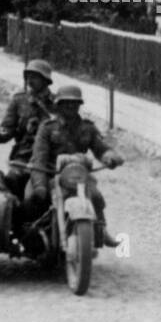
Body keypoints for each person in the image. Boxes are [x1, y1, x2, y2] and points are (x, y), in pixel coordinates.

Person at [26, 84, 125, 246]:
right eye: (66, 103)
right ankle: (33, 238)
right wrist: (39, 184)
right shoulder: (47, 129)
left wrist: (110, 157)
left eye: (75, 103)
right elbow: (39, 158)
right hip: (51, 174)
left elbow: (101, 148)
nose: (71, 106)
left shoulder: (87, 127)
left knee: (97, 197)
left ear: (80, 105)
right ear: (58, 105)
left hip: (79, 176)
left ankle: (101, 228)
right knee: (34, 198)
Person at [0, 58, 56, 202]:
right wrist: (5, 133)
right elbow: (6, 127)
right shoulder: (19, 100)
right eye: (28, 76)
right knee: (12, 180)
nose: (30, 80)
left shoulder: (57, 103)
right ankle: (19, 220)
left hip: (51, 157)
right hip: (24, 156)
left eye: (35, 77)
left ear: (45, 80)